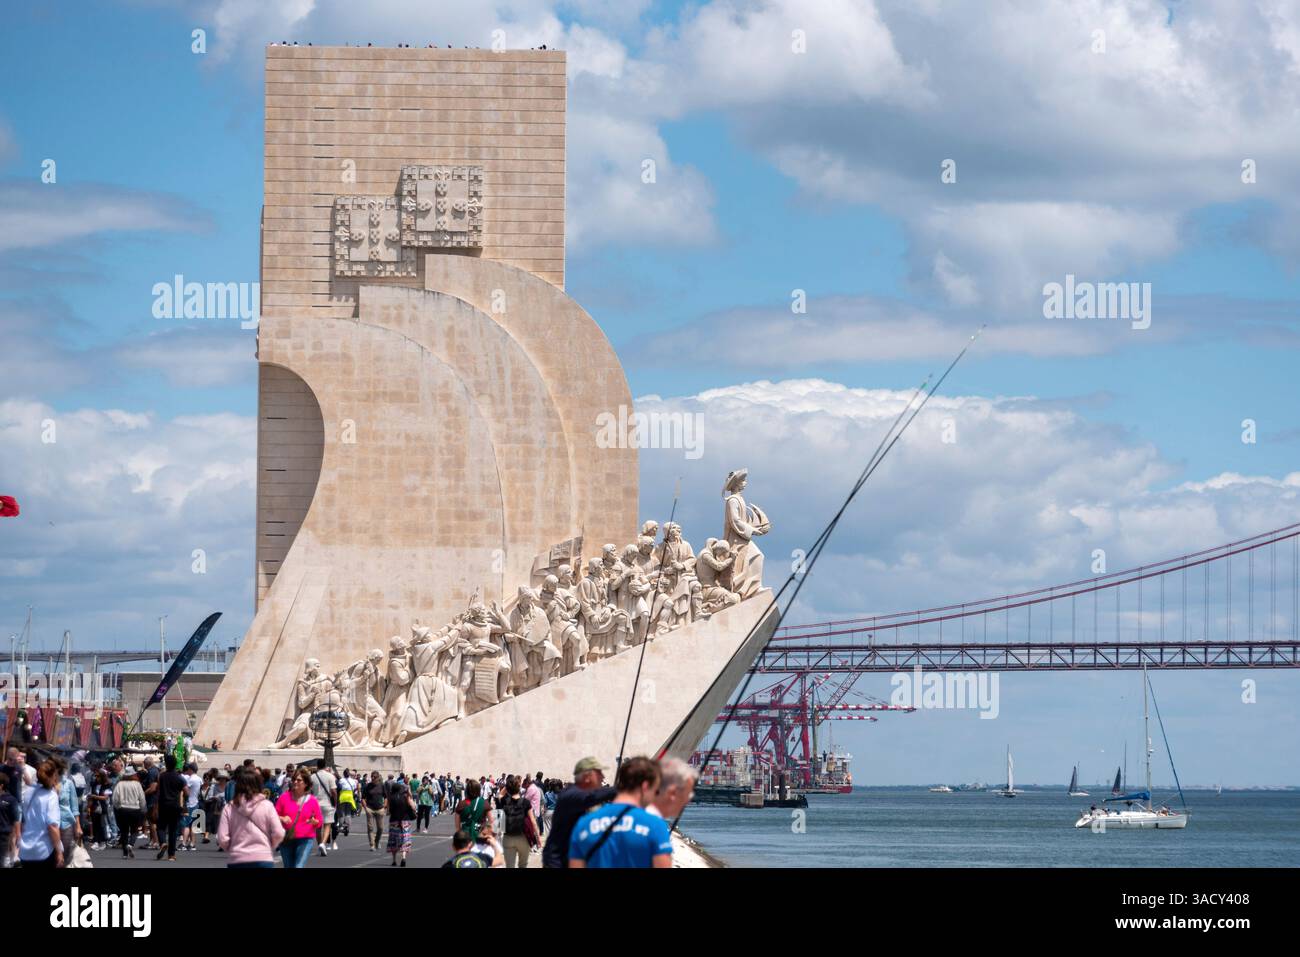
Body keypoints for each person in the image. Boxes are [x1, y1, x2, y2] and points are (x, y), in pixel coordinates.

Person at [568, 756, 672, 868]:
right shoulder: (655, 825)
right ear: (645, 786)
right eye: (656, 790)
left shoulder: (583, 824)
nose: (655, 796)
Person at [542, 756, 616, 868]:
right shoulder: (571, 794)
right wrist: (621, 788)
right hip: (557, 861)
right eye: (599, 773)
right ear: (587, 777)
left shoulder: (574, 793)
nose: (603, 776)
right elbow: (590, 797)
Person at [217, 767, 284, 868]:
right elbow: (279, 832)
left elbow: (222, 838)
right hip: (263, 857)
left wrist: (232, 849)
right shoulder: (267, 805)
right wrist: (269, 846)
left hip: (237, 858)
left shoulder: (229, 807)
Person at [17, 758, 64, 867]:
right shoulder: (50, 796)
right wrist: (59, 851)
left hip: (26, 849)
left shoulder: (29, 792)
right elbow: (52, 827)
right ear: (54, 776)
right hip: (43, 850)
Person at [275, 769, 323, 868]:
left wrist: (314, 822)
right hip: (286, 838)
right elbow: (273, 815)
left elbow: (319, 821)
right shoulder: (284, 798)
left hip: (305, 839)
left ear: (306, 784)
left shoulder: (312, 801)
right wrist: (282, 818)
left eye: (299, 780)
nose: (295, 782)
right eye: (294, 779)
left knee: (298, 866)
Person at [499, 775, 536, 868]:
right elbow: (532, 820)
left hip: (508, 837)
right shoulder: (526, 802)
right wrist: (538, 836)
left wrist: (506, 787)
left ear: (508, 789)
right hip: (523, 837)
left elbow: (499, 794)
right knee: (523, 865)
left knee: (510, 866)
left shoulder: (505, 801)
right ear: (519, 787)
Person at [156, 754, 186, 861]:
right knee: (173, 831)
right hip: (175, 806)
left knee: (160, 827)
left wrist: (156, 804)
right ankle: (171, 855)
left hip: (163, 805)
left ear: (166, 764)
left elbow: (158, 791)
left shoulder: (162, 776)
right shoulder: (179, 777)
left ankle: (163, 842)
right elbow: (186, 791)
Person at [111, 766, 146, 858]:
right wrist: (142, 808)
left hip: (123, 809)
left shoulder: (119, 784)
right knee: (134, 830)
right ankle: (130, 844)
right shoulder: (137, 784)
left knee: (124, 831)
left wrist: (118, 808)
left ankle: (125, 853)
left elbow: (114, 799)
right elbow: (142, 798)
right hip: (135, 809)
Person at [386, 779, 416, 866]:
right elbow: (413, 808)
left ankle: (394, 860)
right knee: (405, 839)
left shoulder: (390, 798)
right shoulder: (406, 797)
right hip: (405, 821)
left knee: (393, 840)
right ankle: (403, 857)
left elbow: (388, 812)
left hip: (394, 821)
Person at [309, 763, 337, 854]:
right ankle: (323, 843)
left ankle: (320, 844)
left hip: (315, 804)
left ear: (317, 766)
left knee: (318, 826)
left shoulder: (312, 777)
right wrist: (335, 802)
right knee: (327, 825)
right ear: (325, 766)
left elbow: (310, 791)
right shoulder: (330, 776)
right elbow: (333, 791)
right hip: (327, 803)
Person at [361, 770, 387, 851]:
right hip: (370, 809)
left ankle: (377, 841)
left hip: (380, 809)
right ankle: (372, 845)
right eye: (371, 776)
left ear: (378, 777)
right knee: (370, 828)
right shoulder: (367, 786)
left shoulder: (382, 786)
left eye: (374, 777)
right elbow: (363, 798)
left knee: (381, 828)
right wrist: (366, 808)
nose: (372, 778)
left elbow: (386, 797)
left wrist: (385, 806)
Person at [181, 762, 203, 850]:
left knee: (186, 825)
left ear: (190, 769)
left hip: (189, 803)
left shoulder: (190, 779)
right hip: (196, 802)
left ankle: (183, 843)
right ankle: (192, 843)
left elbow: (186, 791)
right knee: (193, 825)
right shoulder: (199, 779)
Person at [0, 772, 19, 867]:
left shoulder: (11, 800)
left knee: (2, 860)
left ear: (1, 786)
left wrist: (17, 835)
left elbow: (16, 819)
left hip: (4, 835)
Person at [336, 769, 357, 837]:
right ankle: (348, 827)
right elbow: (354, 789)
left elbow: (338, 788)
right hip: (350, 797)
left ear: (344, 774)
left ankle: (341, 826)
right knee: (348, 813)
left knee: (341, 812)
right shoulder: (353, 781)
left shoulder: (341, 780)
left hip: (342, 796)